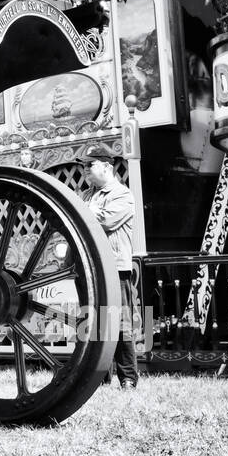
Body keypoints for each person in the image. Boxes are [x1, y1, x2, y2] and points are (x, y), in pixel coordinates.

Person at [79, 143, 140, 389]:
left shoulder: (123, 194)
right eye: (83, 165)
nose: (85, 170)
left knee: (121, 324)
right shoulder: (86, 196)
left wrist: (89, 211)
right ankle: (99, 378)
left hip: (115, 268)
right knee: (92, 325)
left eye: (89, 165)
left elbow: (105, 221)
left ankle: (128, 378)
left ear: (106, 166)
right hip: (89, 268)